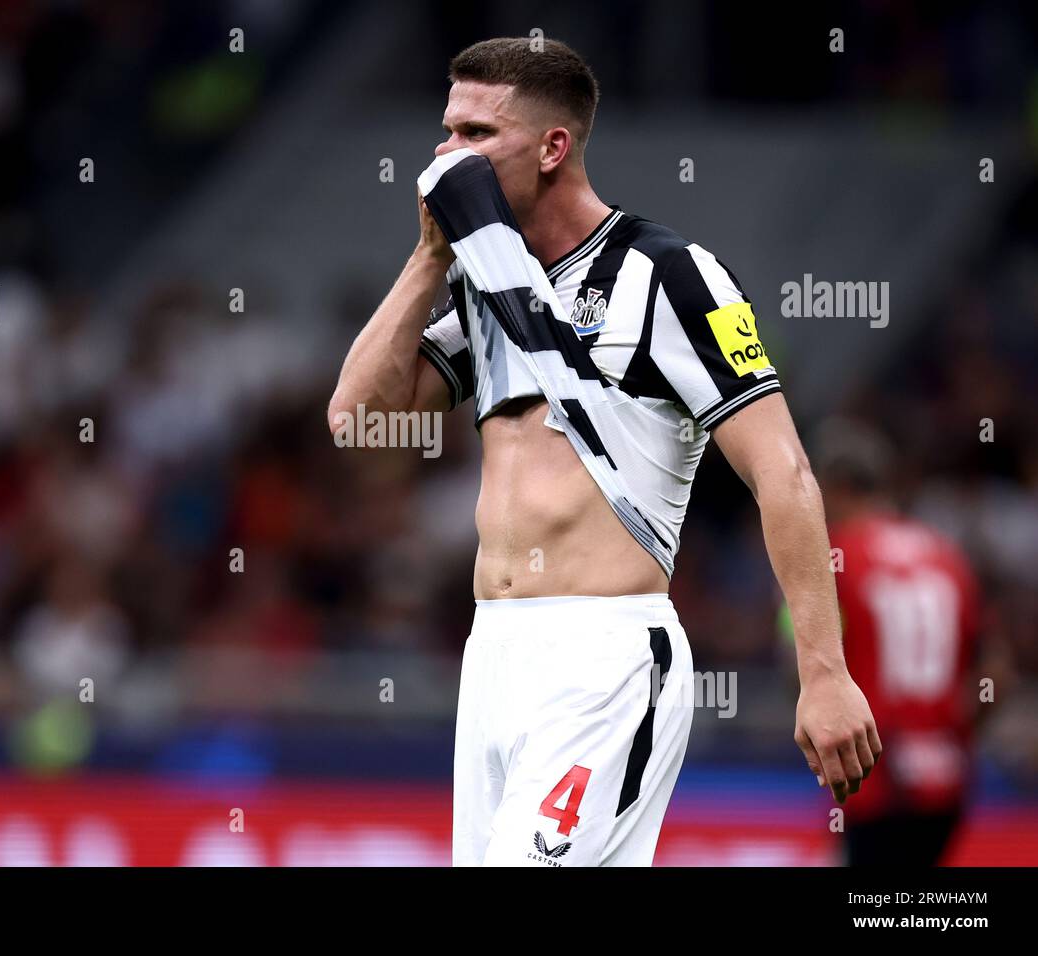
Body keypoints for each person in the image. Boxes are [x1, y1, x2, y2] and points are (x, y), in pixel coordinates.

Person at [328, 37, 880, 866]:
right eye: (445, 132)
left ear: (553, 147)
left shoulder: (671, 276)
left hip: (606, 658)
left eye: (475, 135)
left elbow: (783, 472)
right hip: (494, 659)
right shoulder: (489, 287)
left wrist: (824, 669)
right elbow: (359, 422)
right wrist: (429, 256)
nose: (445, 156)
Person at [809, 418, 980, 865]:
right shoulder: (946, 556)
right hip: (947, 781)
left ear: (836, 488)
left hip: (877, 777)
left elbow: (803, 654)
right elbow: (993, 669)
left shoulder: (835, 557)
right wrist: (951, 732)